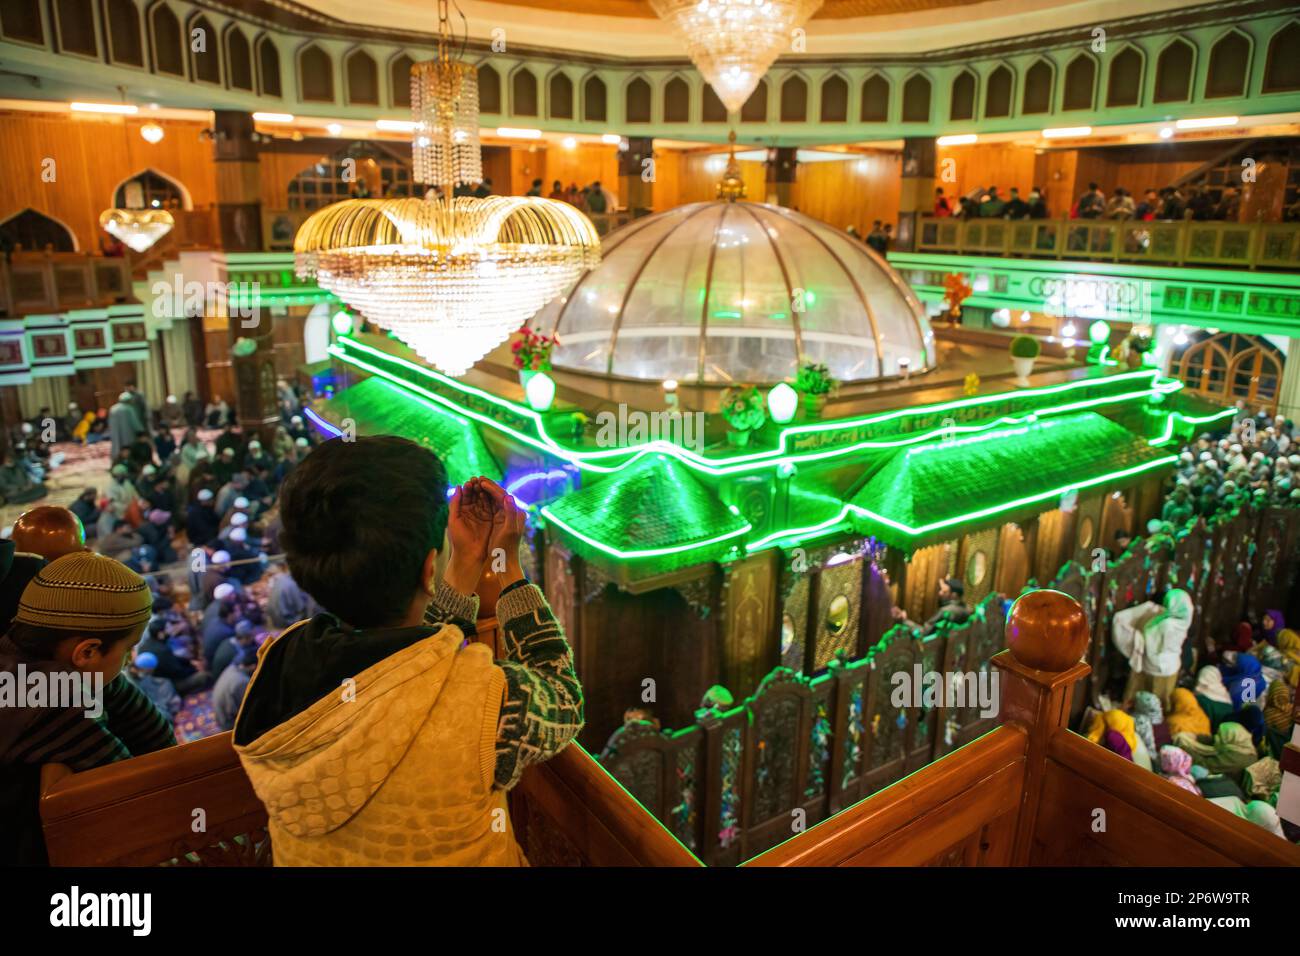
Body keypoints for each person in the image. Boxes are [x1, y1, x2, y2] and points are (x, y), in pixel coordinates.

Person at [232, 437, 584, 866]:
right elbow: (563, 700)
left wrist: (462, 568)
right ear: (427, 567)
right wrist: (505, 568)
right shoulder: (481, 703)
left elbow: (408, 668)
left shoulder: (281, 663)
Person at [0, 553, 174, 864]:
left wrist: (102, 676)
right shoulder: (52, 701)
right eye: (128, 650)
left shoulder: (14, 653)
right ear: (88, 651)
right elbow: (138, 795)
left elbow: (152, 734)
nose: (127, 663)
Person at [1111, 589, 1193, 710]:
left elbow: (1149, 641)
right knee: (1162, 704)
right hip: (1172, 666)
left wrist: (1135, 635)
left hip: (1155, 667)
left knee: (1144, 702)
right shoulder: (1184, 619)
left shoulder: (1167, 625)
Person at [891, 577, 971, 635]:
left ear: (954, 595)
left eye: (944, 591)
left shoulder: (945, 611)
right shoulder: (969, 609)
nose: (940, 593)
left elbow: (924, 632)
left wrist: (904, 620)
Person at [124, 651, 182, 722]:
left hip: (150, 688)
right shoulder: (131, 683)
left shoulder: (138, 672)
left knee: (166, 683)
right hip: (149, 698)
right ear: (147, 669)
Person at [213, 647, 257, 732]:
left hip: (221, 715)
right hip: (229, 724)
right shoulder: (242, 682)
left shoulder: (232, 668)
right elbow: (249, 710)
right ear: (253, 666)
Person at [107, 391, 144, 462]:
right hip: (128, 434)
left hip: (115, 433)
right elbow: (135, 422)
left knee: (117, 446)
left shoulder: (113, 409)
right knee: (129, 448)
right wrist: (141, 431)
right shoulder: (129, 409)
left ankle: (116, 461)